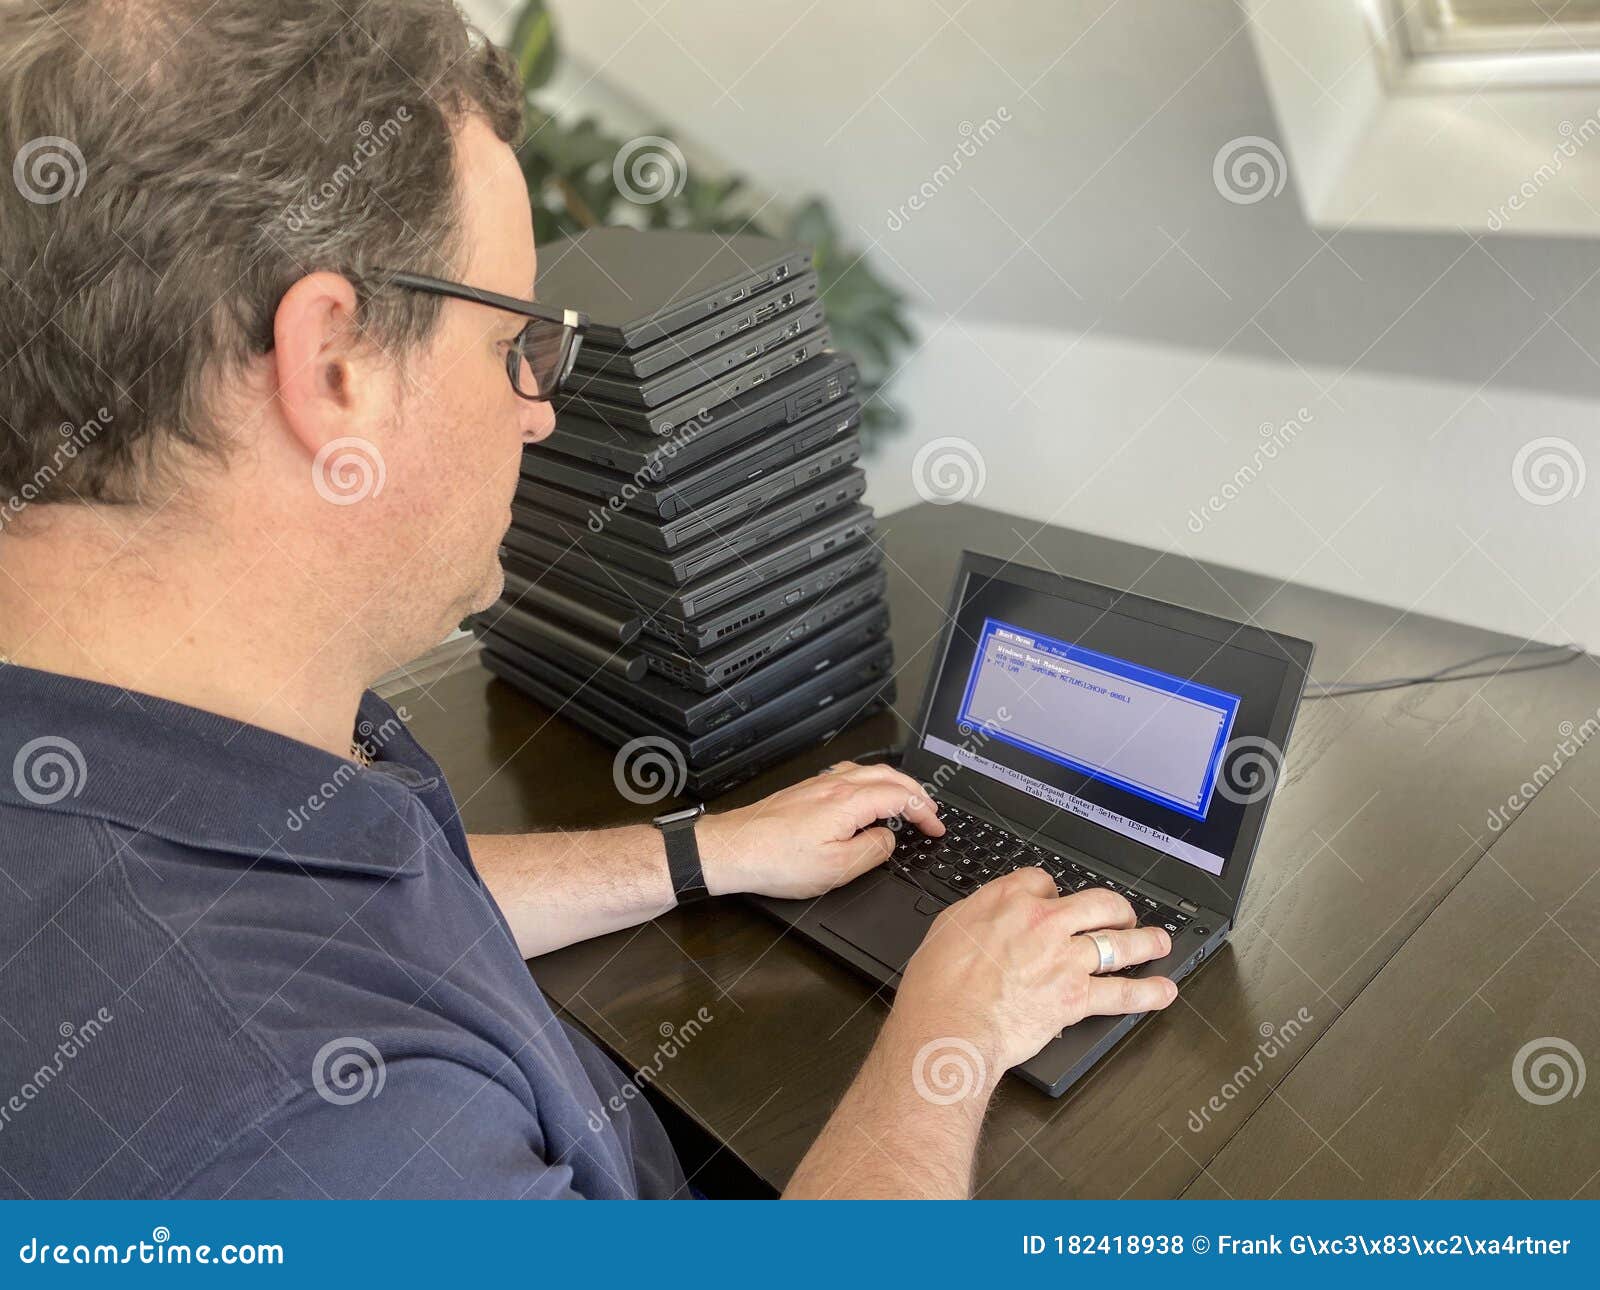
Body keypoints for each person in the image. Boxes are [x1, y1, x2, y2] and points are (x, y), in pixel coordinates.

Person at [0, 0, 1175, 1200]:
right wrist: (951, 1039)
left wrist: (699, 852)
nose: (539, 409)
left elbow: (378, 920)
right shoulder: (305, 1131)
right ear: (334, 367)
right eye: (515, 341)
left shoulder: (157, 737)